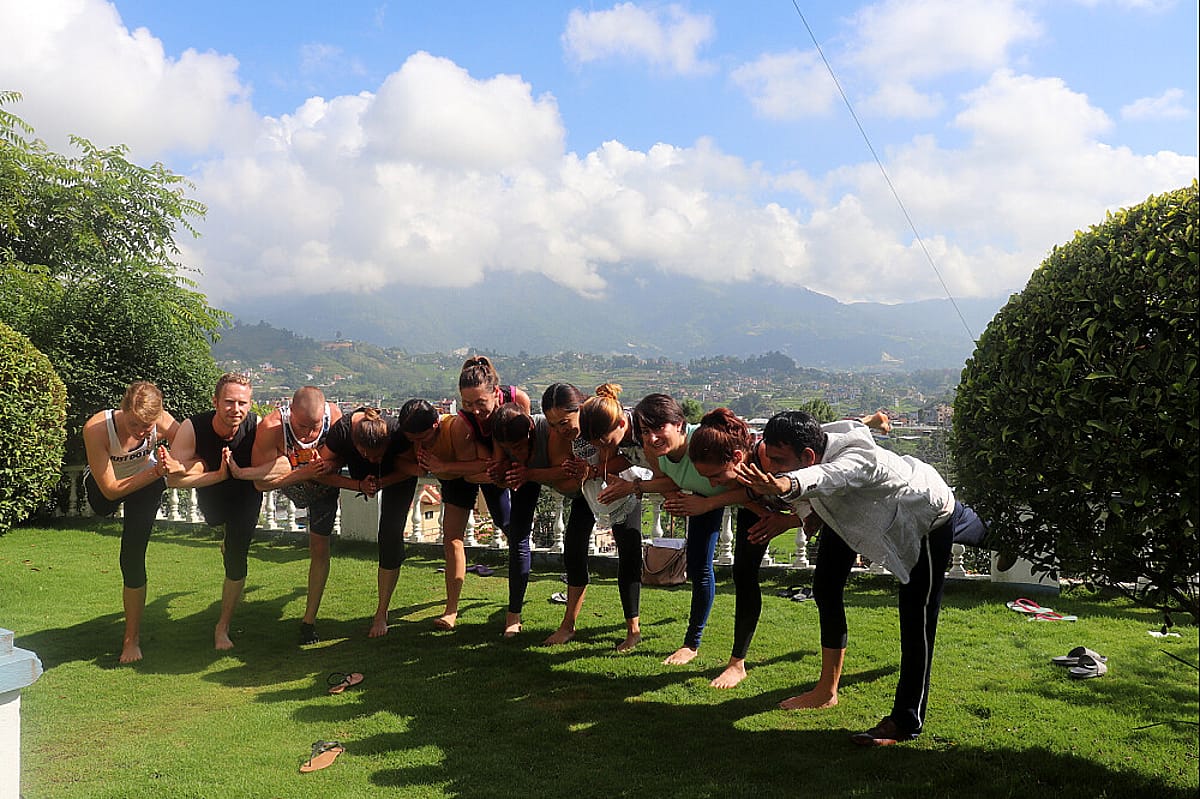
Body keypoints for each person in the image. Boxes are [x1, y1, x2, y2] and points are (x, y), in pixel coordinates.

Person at [735, 409, 958, 746]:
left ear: (807, 456)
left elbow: (830, 477)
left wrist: (786, 483)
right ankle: (827, 690)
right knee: (825, 586)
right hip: (858, 517)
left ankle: (905, 722)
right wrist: (798, 516)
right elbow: (851, 434)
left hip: (925, 519)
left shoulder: (858, 458)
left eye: (779, 461)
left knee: (917, 621)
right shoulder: (816, 438)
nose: (772, 466)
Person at [600, 393, 735, 666]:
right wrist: (634, 487)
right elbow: (665, 481)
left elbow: (743, 485)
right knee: (698, 566)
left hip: (743, 497)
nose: (651, 438)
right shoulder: (654, 451)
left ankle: (710, 652)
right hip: (702, 500)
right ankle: (692, 644)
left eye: (659, 428)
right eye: (645, 431)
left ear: (680, 425)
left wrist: (707, 504)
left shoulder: (704, 443)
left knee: (721, 572)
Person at [688, 407, 800, 688]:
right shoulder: (743, 470)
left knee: (827, 589)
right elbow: (745, 493)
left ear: (738, 457)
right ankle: (737, 663)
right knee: (744, 574)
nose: (713, 485)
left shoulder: (780, 459)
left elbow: (827, 500)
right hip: (764, 509)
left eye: (716, 477)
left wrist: (787, 523)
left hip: (825, 511)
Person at [81, 380, 184, 664]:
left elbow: (188, 445)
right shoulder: (97, 428)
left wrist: (174, 462)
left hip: (145, 483)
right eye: (134, 424)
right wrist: (156, 473)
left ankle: (131, 640)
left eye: (147, 427)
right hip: (107, 487)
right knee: (103, 506)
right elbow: (111, 490)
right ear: (123, 409)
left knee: (132, 556)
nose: (140, 431)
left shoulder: (161, 421)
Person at [546, 383, 651, 651]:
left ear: (580, 409)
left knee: (628, 555)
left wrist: (591, 470)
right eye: (554, 425)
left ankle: (633, 630)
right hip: (590, 492)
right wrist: (575, 469)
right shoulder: (569, 433)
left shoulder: (600, 419)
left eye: (564, 422)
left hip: (621, 488)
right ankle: (568, 624)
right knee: (573, 550)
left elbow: (627, 457)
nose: (561, 430)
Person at [168, 372, 264, 652]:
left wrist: (241, 473)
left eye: (243, 403)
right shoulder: (193, 427)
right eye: (229, 402)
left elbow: (280, 464)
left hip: (246, 493)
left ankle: (222, 626)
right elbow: (173, 480)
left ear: (251, 404)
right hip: (212, 491)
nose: (236, 409)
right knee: (216, 521)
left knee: (237, 557)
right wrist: (218, 476)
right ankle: (226, 538)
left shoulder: (257, 427)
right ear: (215, 401)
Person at [243, 386, 343, 644]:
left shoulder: (335, 416)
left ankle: (308, 621)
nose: (309, 434)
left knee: (320, 548)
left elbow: (342, 459)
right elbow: (261, 484)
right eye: (301, 427)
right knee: (277, 466)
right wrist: (301, 473)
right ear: (290, 414)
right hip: (288, 480)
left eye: (315, 426)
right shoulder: (271, 426)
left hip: (323, 488)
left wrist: (328, 465)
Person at [317, 406, 420, 637]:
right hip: (359, 478)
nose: (374, 460)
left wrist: (382, 482)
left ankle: (381, 613)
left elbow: (412, 469)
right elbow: (319, 473)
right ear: (355, 445)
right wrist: (358, 486)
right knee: (386, 536)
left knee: (390, 536)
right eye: (367, 456)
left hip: (397, 476)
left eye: (378, 456)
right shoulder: (342, 432)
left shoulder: (396, 432)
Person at [397, 398, 493, 631]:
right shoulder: (409, 436)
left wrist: (444, 467)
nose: (419, 445)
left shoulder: (455, 428)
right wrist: (418, 468)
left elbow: (483, 464)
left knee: (509, 527)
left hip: (482, 474)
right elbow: (398, 460)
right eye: (413, 440)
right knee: (452, 540)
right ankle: (451, 610)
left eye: (422, 439)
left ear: (435, 425)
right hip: (453, 482)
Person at [490, 402, 581, 637]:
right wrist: (500, 476)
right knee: (518, 538)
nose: (517, 453)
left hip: (580, 490)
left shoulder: (548, 432)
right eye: (510, 449)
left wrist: (528, 472)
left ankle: (571, 624)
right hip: (528, 479)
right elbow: (502, 472)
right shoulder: (502, 434)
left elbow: (565, 471)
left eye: (519, 447)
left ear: (530, 429)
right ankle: (513, 615)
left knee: (575, 550)